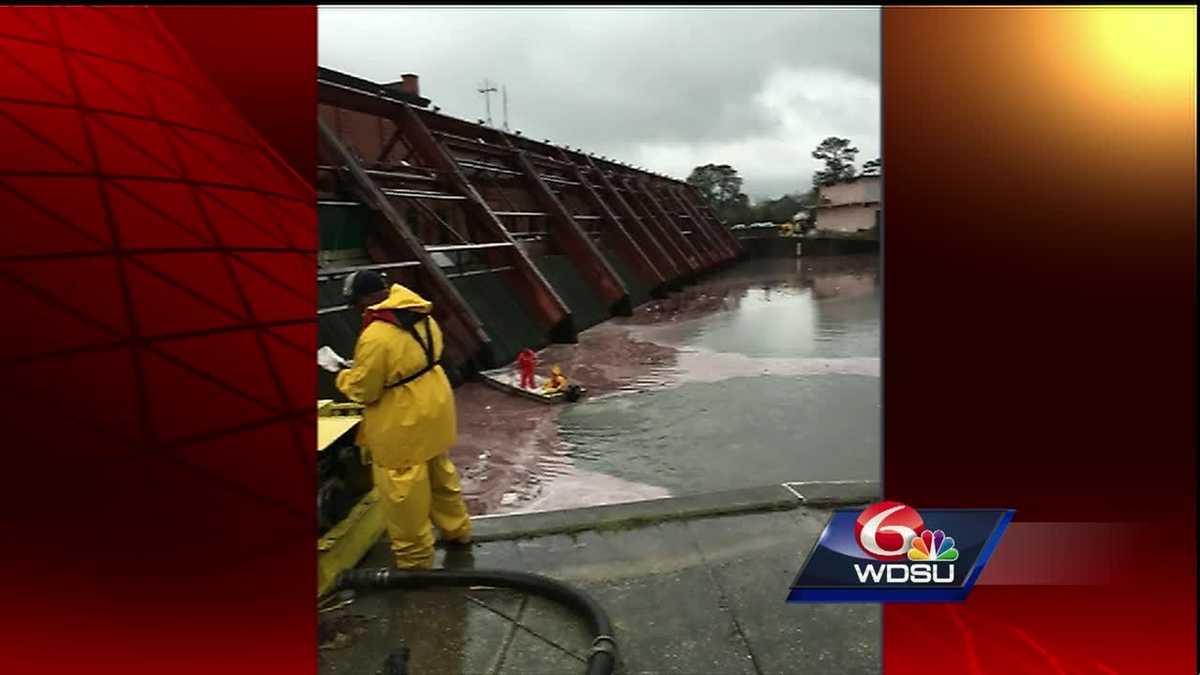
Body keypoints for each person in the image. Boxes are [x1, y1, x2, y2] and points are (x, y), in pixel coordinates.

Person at [323, 270, 471, 569]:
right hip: (435, 406)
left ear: (364, 299)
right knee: (439, 474)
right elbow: (414, 358)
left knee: (403, 491)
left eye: (355, 303)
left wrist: (340, 374)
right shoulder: (420, 314)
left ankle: (415, 561)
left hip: (403, 419)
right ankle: (458, 531)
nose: (356, 310)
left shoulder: (376, 335)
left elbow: (365, 390)